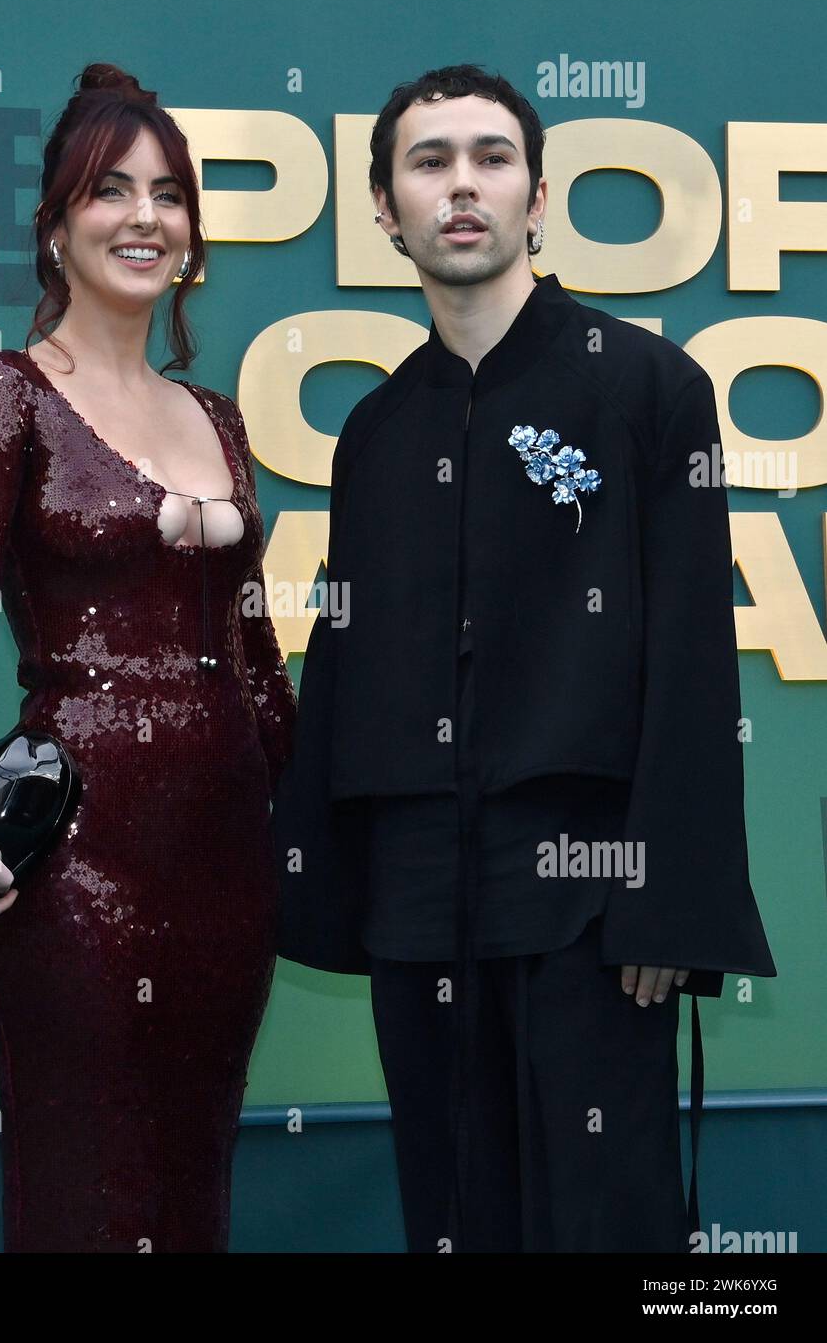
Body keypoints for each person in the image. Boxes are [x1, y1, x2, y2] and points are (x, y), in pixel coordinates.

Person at [273, 63, 776, 1253]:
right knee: (452, 1218)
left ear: (538, 198)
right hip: (418, 902)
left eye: (491, 159)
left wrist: (668, 900)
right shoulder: (374, 430)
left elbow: (695, 661)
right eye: (429, 162)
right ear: (385, 210)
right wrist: (321, 877)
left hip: (594, 908)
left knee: (607, 1226)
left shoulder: (652, 387)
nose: (462, 186)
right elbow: (340, 661)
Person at [0, 62, 297, 1252]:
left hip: (223, 861)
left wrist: (313, 808)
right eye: (109, 191)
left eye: (167, 194)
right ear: (56, 227)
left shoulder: (215, 416)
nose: (143, 217)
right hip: (72, 863)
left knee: (195, 1182)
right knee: (87, 1190)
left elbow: (254, 649)